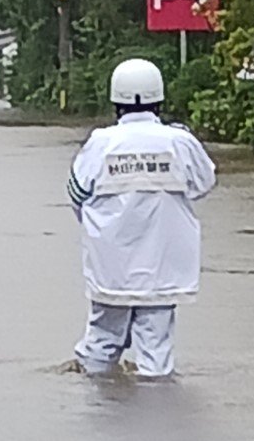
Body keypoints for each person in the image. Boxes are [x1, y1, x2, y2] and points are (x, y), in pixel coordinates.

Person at [67, 58, 217, 378]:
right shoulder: (180, 142)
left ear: (115, 102)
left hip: (110, 269)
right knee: (156, 356)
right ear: (159, 100)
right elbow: (205, 183)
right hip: (163, 269)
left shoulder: (101, 143)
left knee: (100, 345)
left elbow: (77, 195)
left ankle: (99, 403)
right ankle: (155, 416)